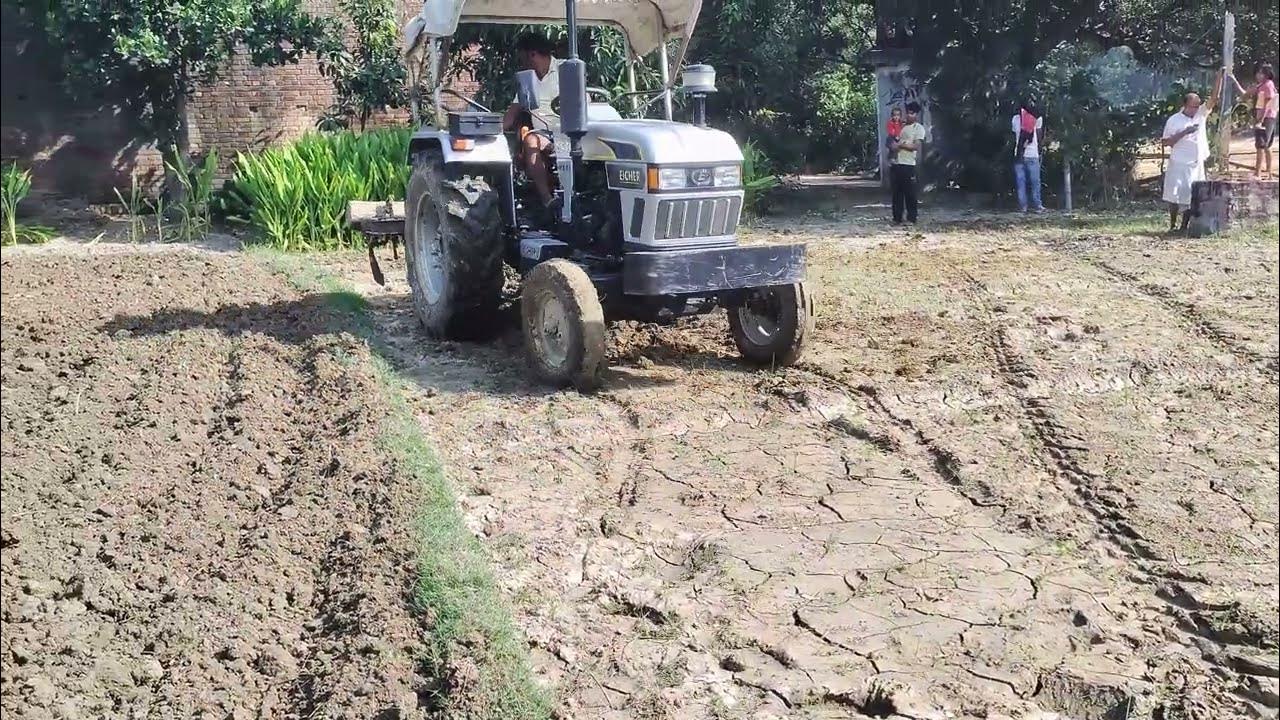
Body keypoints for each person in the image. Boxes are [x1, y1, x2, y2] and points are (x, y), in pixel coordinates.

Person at [502, 33, 563, 212]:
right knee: (530, 140)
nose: (522, 64)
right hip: (543, 134)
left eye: (523, 58)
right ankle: (548, 200)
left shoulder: (565, 69)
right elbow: (510, 117)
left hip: (568, 130)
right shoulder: (528, 80)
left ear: (533, 54)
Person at [1161, 71, 1223, 233]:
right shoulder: (1174, 120)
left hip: (1195, 162)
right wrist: (1185, 132)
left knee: (1191, 195)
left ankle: (1184, 226)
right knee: (1174, 195)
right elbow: (1166, 142)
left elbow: (1214, 99)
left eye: (1198, 106)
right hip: (1179, 162)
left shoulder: (1201, 115)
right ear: (1186, 105)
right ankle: (1172, 224)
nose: (1196, 109)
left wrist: (1219, 77)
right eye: (1194, 106)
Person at [1228, 64, 1277, 179]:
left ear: (1267, 74)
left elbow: (1267, 103)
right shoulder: (1260, 86)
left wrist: (1260, 120)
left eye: (1261, 73)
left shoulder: (1268, 85)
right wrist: (1234, 80)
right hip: (1265, 118)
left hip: (1266, 118)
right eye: (1258, 73)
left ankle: (1258, 173)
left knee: (1261, 146)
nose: (1258, 75)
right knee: (1265, 146)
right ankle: (1268, 173)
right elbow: (1245, 94)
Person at [889, 102, 926, 225]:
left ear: (916, 114)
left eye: (912, 113)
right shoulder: (901, 126)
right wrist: (893, 146)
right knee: (896, 193)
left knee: (910, 193)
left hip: (908, 164)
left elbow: (915, 146)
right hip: (896, 163)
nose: (909, 115)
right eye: (908, 112)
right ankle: (897, 218)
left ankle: (911, 218)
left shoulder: (918, 128)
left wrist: (901, 145)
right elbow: (892, 141)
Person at [1011, 101, 1045, 213]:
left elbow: (1014, 136)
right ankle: (1037, 205)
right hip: (1032, 154)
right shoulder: (1036, 119)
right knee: (1035, 182)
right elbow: (1039, 136)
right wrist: (1040, 149)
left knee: (1021, 182)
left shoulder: (1015, 119)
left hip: (1019, 154)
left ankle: (1023, 207)